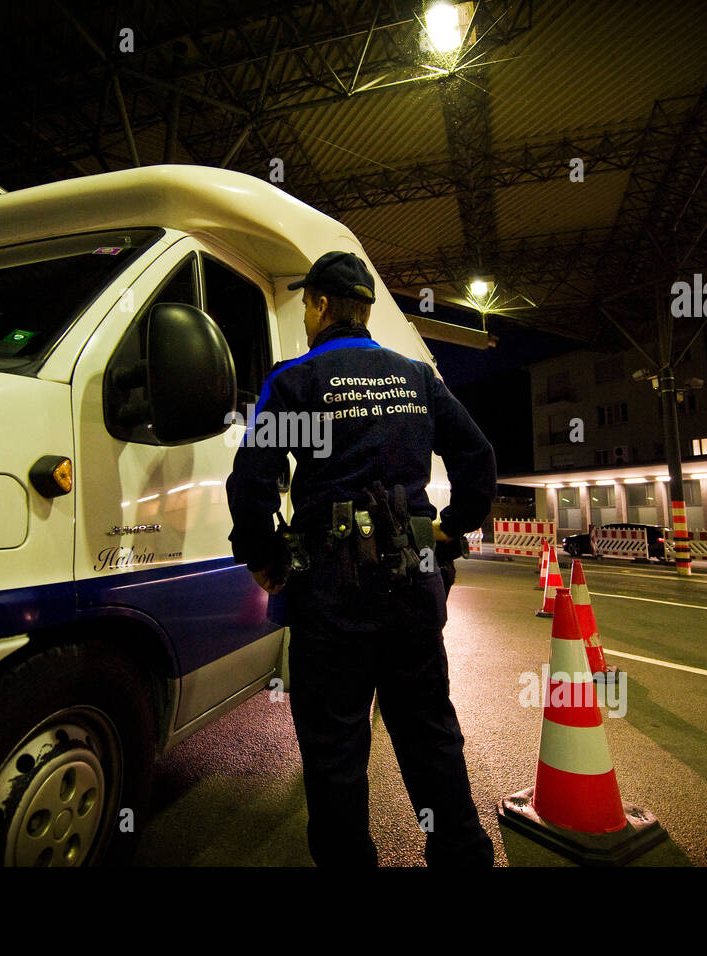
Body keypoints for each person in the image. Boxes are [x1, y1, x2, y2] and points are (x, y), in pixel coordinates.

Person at [226, 250, 497, 867]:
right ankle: (461, 855)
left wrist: (263, 558)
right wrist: (451, 530)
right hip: (412, 587)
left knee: (335, 750)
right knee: (429, 735)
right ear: (367, 308)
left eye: (306, 306)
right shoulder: (416, 376)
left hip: (331, 594)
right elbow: (478, 458)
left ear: (320, 306)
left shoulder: (294, 381)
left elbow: (252, 483)